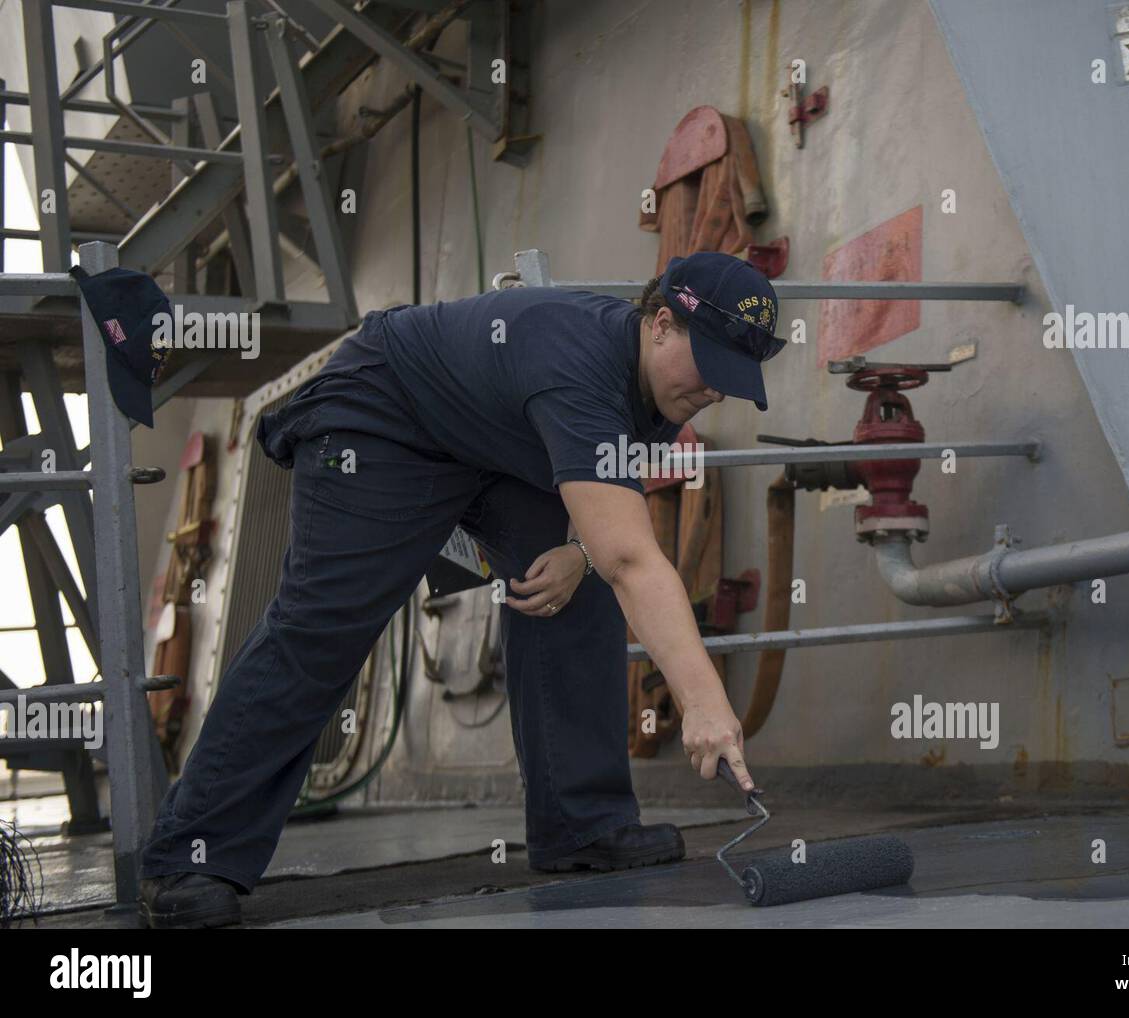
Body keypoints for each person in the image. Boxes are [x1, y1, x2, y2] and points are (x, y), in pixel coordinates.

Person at [137, 251, 785, 928]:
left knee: (571, 584)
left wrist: (577, 552)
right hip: (381, 419)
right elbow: (632, 557)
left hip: (490, 448)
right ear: (659, 324)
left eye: (729, 379)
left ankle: (582, 826)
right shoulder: (578, 367)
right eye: (708, 365)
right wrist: (705, 702)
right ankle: (189, 854)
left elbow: (601, 520)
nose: (715, 390)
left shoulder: (653, 383)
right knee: (322, 626)